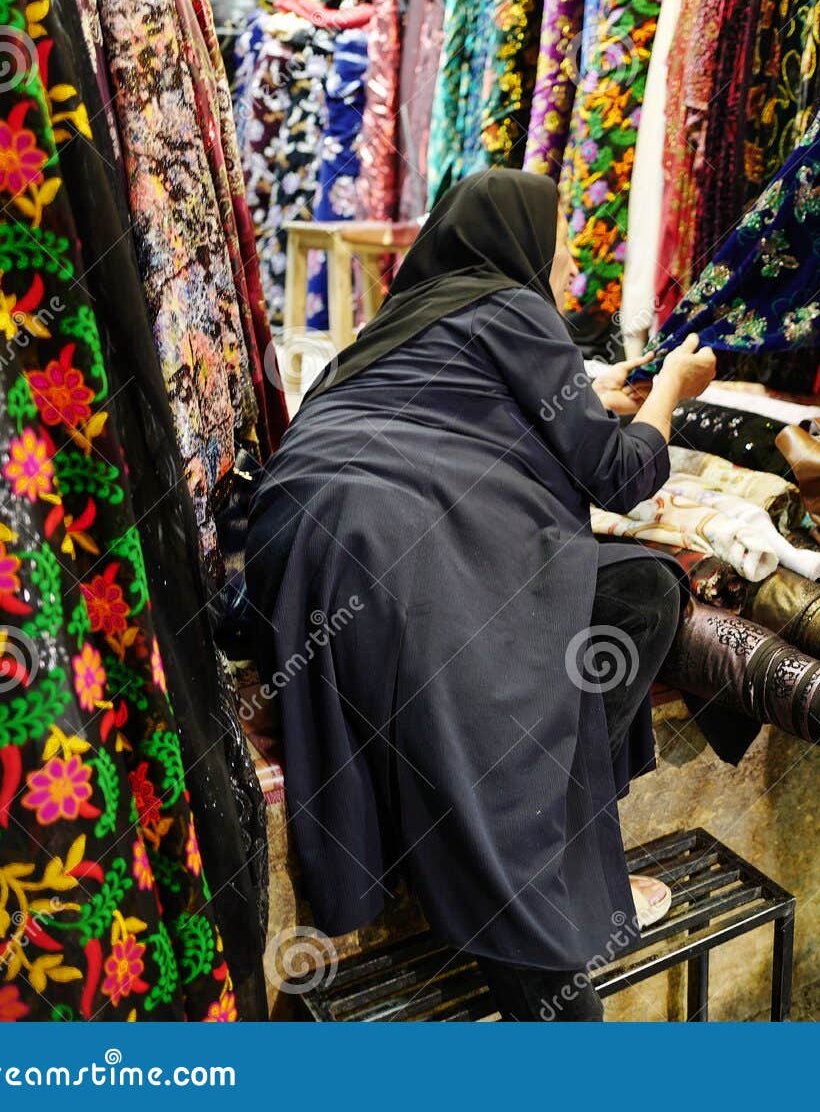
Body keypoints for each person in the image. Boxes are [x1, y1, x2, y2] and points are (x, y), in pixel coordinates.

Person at [246, 169, 717, 1021]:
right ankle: (551, 885)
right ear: (516, 242)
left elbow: (457, 417)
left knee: (632, 591)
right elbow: (619, 475)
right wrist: (674, 394)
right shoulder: (513, 304)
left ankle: (570, 847)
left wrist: (596, 396)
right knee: (615, 612)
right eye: (558, 237)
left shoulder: (389, 327)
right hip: (399, 549)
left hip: (299, 551)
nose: (565, 255)